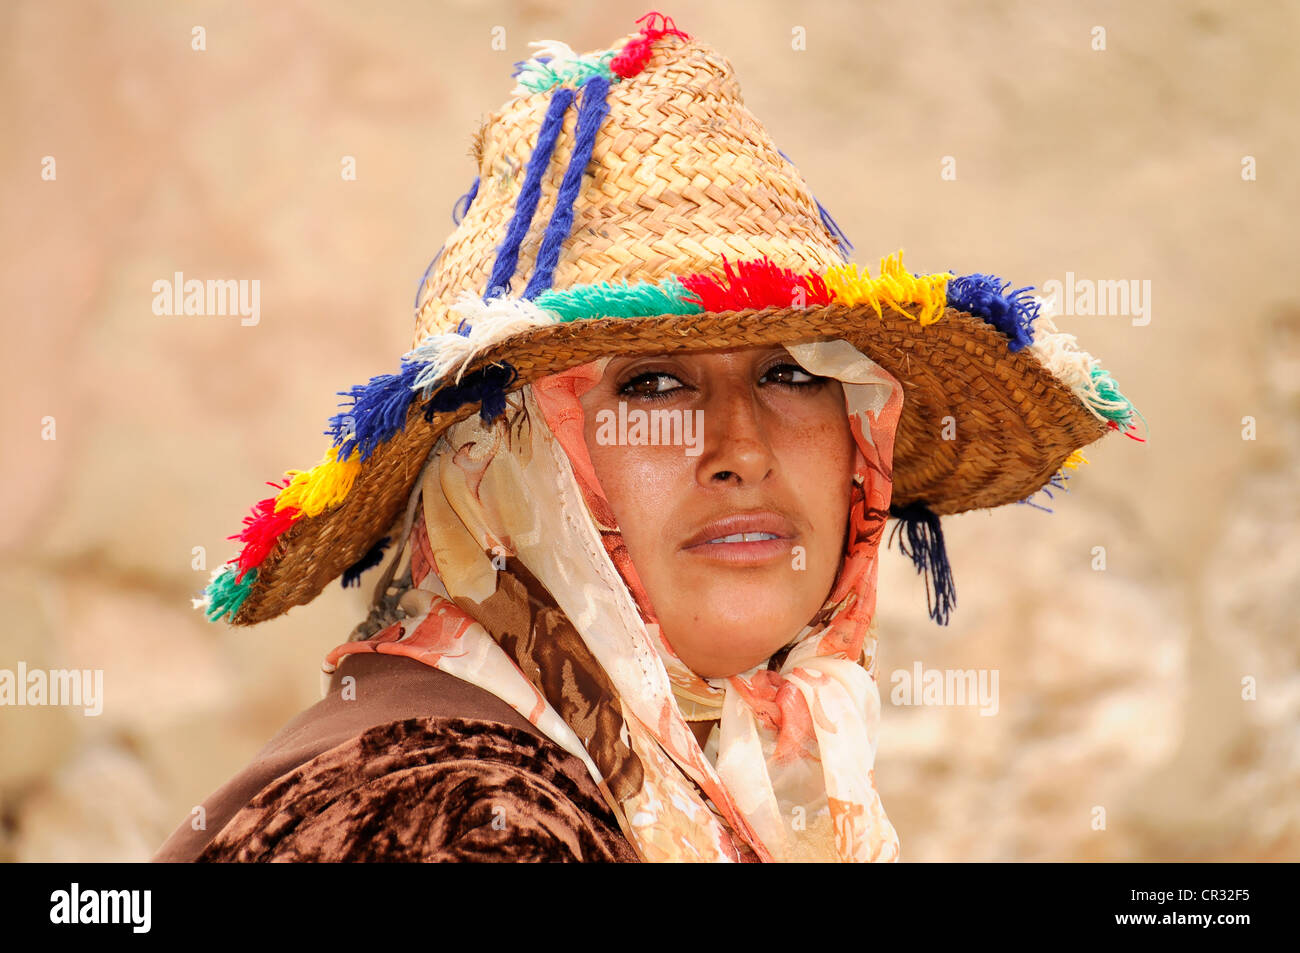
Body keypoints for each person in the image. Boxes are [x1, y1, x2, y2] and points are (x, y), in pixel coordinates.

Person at [156, 13, 1143, 863]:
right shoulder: (450, 817)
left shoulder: (632, 773)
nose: (742, 450)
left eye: (795, 373)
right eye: (653, 384)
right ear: (495, 463)